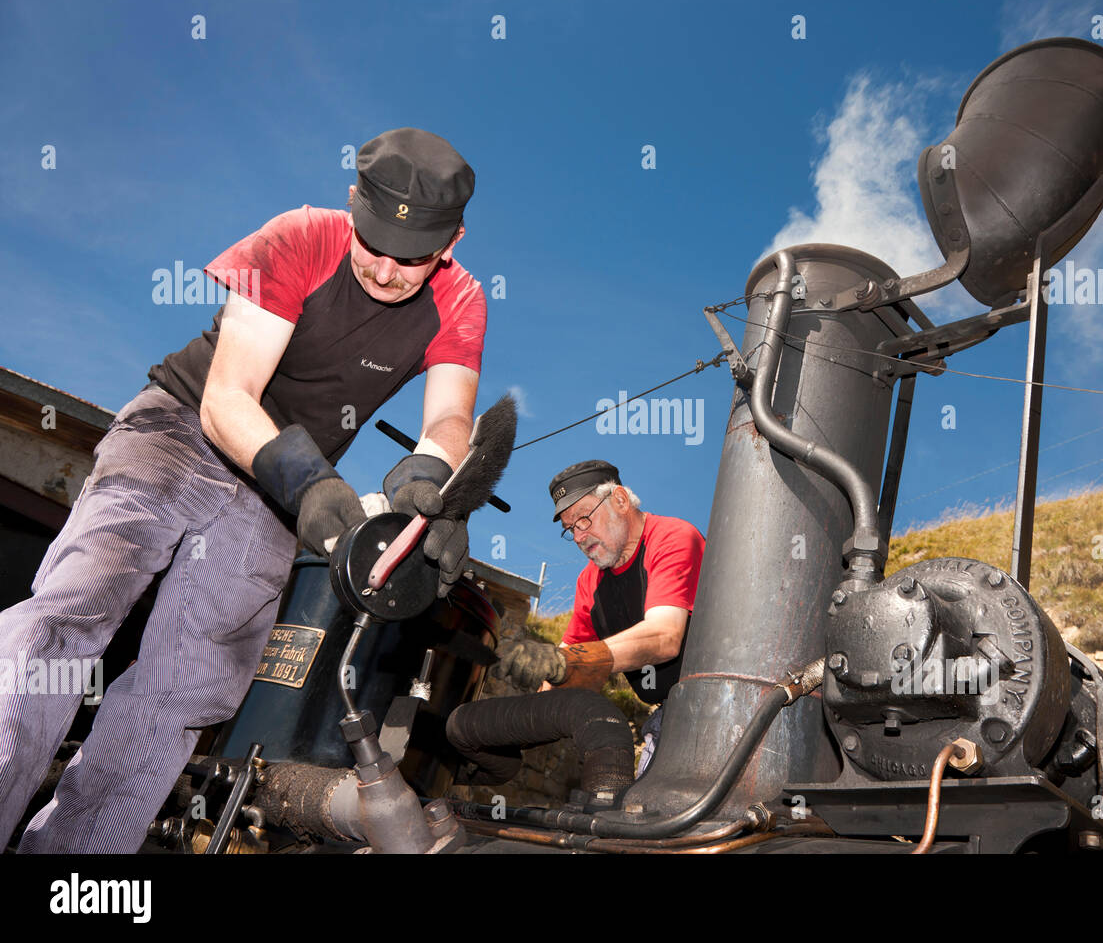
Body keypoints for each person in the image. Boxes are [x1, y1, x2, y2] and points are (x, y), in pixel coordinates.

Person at [0, 128, 486, 853]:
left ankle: (74, 864)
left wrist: (428, 476)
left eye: (412, 258)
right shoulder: (299, 237)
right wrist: (311, 484)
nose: (388, 271)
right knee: (73, 613)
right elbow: (229, 399)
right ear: (353, 203)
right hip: (181, 433)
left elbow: (450, 415)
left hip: (277, 492)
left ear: (452, 240)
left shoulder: (462, 299)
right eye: (375, 244)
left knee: (189, 687)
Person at [497, 460, 705, 774]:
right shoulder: (589, 581)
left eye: (584, 519)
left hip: (726, 701)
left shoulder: (672, 538)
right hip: (670, 713)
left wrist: (573, 661)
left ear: (620, 500)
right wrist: (518, 728)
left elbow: (665, 637)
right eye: (570, 529)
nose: (579, 537)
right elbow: (569, 662)